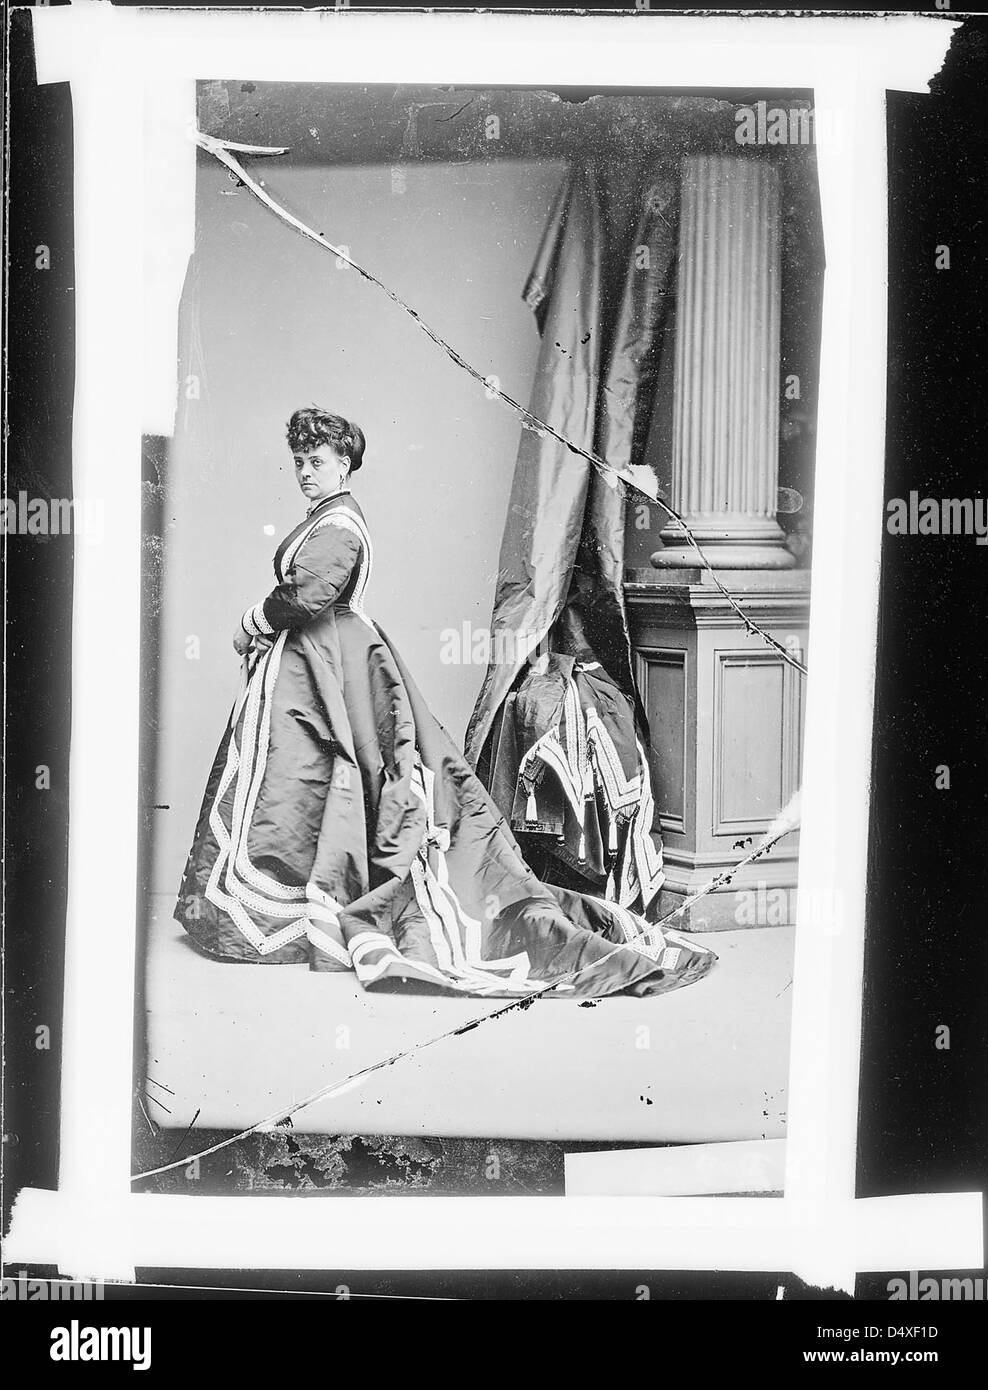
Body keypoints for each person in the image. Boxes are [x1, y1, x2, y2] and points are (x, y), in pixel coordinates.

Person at [175, 406, 716, 998]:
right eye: (300, 462)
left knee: (323, 780)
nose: (306, 472)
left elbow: (310, 592)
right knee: (308, 783)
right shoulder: (326, 516)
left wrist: (251, 623)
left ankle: (318, 905)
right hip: (318, 668)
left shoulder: (340, 523)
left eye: (319, 462)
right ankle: (302, 904)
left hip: (333, 666)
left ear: (345, 465)